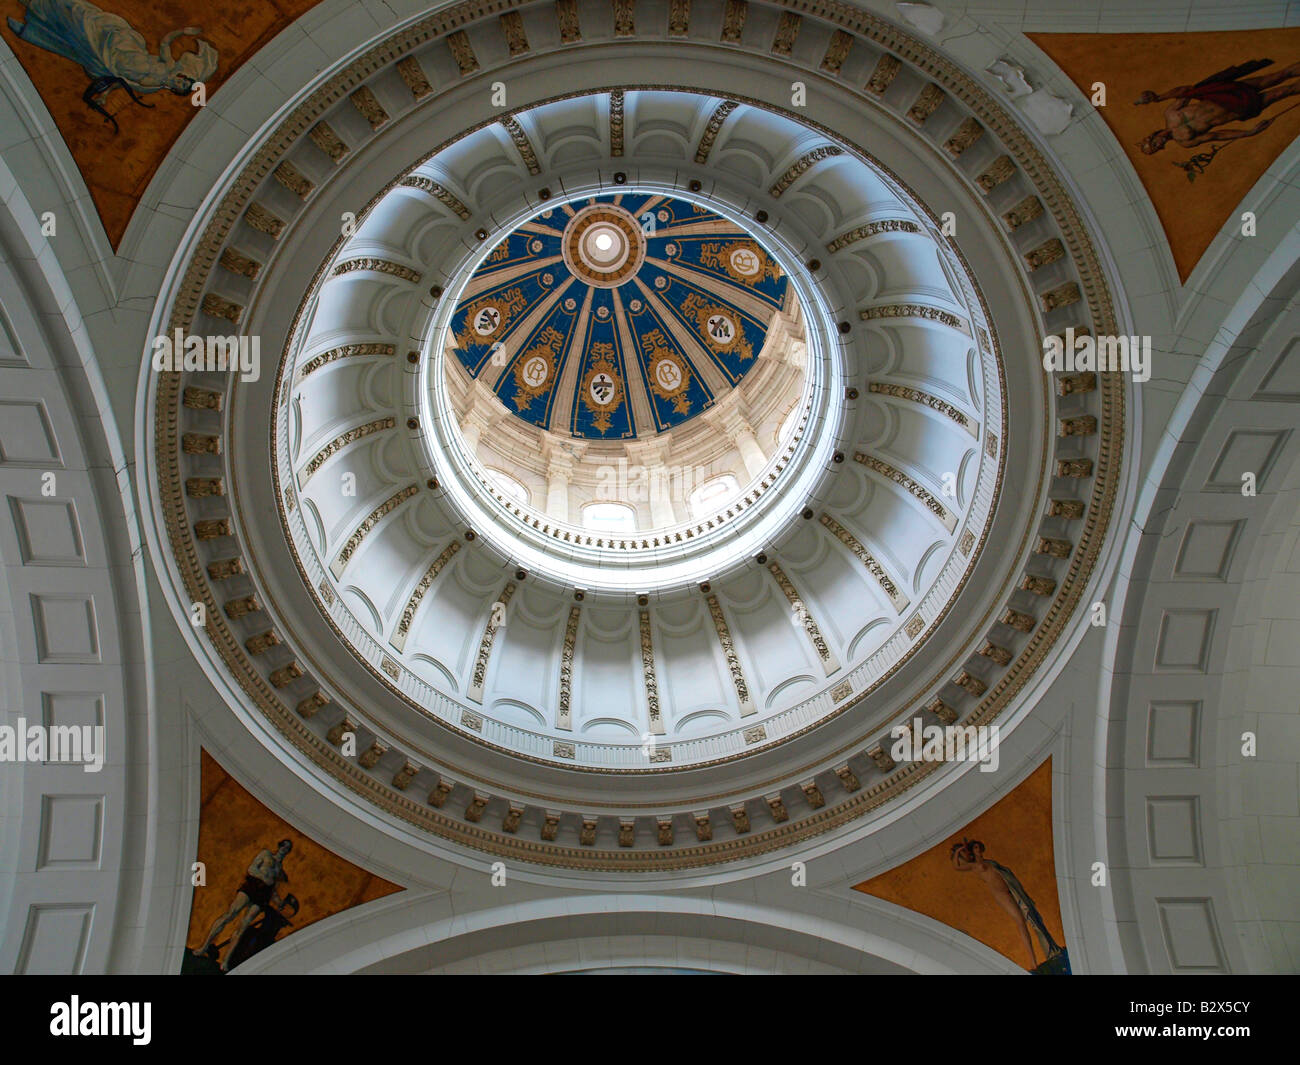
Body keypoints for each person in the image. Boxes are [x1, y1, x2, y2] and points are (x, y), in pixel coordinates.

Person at [6, 0, 218, 133]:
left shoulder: (151, 87)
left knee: (70, 33)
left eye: (180, 86)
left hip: (102, 58)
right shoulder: (168, 65)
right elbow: (165, 43)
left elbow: (122, 82)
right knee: (79, 14)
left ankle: (31, 14)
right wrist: (184, 32)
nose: (179, 81)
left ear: (174, 89)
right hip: (120, 42)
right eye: (183, 80)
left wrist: (106, 95)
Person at [1134, 59, 1300, 155]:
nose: (1160, 146)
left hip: (1226, 93)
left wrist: (1159, 97)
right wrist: (1249, 133)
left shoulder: (1170, 114)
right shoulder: (1185, 141)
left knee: (1277, 76)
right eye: (1157, 149)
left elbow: (1187, 91)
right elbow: (1217, 135)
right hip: (1238, 110)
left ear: (1152, 137)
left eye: (1155, 145)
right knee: (1284, 92)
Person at [950, 837, 1064, 971]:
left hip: (1012, 891)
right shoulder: (974, 866)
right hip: (1002, 896)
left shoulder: (989, 862)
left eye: (978, 847)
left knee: (1032, 918)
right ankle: (1032, 961)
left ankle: (1051, 949)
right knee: (1021, 922)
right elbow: (956, 866)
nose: (978, 849)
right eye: (974, 847)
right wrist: (959, 851)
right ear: (971, 851)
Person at [192, 839, 292, 972]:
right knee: (230, 914)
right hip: (252, 887)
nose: (284, 850)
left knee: (243, 926)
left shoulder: (280, 870)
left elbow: (273, 890)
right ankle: (204, 947)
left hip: (262, 896)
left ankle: (225, 960)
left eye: (288, 849)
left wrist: (278, 901)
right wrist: (264, 878)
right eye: (284, 847)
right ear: (279, 846)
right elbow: (251, 869)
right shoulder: (266, 854)